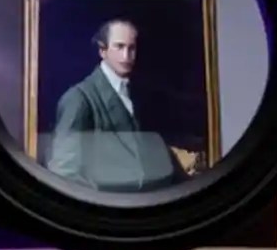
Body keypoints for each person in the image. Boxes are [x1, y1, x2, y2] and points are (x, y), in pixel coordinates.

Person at [46, 18, 197, 191]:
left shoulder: (140, 94)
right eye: (119, 47)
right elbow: (64, 171)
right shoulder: (79, 99)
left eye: (131, 48)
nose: (126, 56)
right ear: (103, 51)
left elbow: (157, 156)